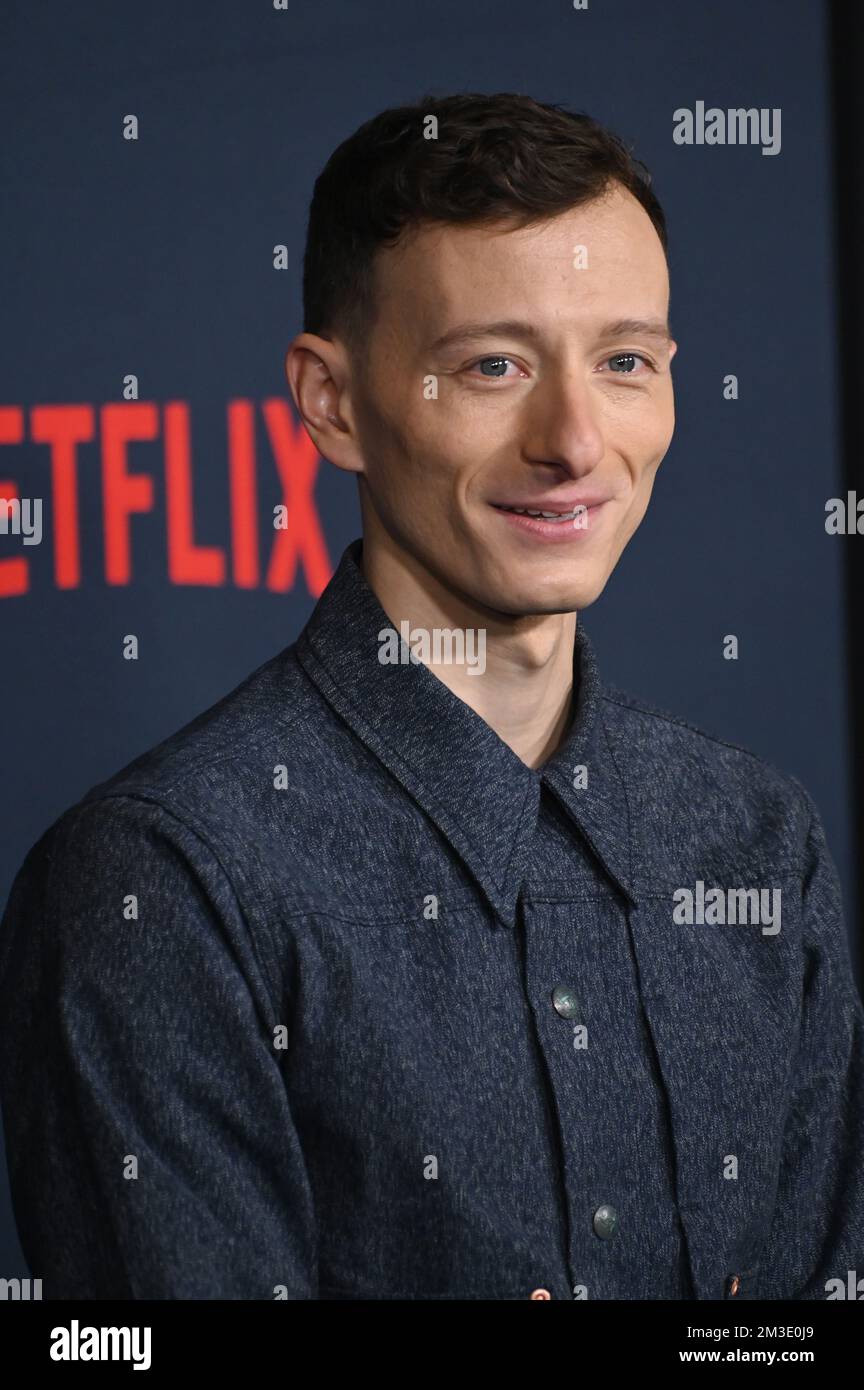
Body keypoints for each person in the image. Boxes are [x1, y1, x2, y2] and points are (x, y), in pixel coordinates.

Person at [1, 92, 862, 1301]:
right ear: (333, 402)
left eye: (625, 361)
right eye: (493, 365)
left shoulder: (762, 838)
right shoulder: (165, 879)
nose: (573, 438)